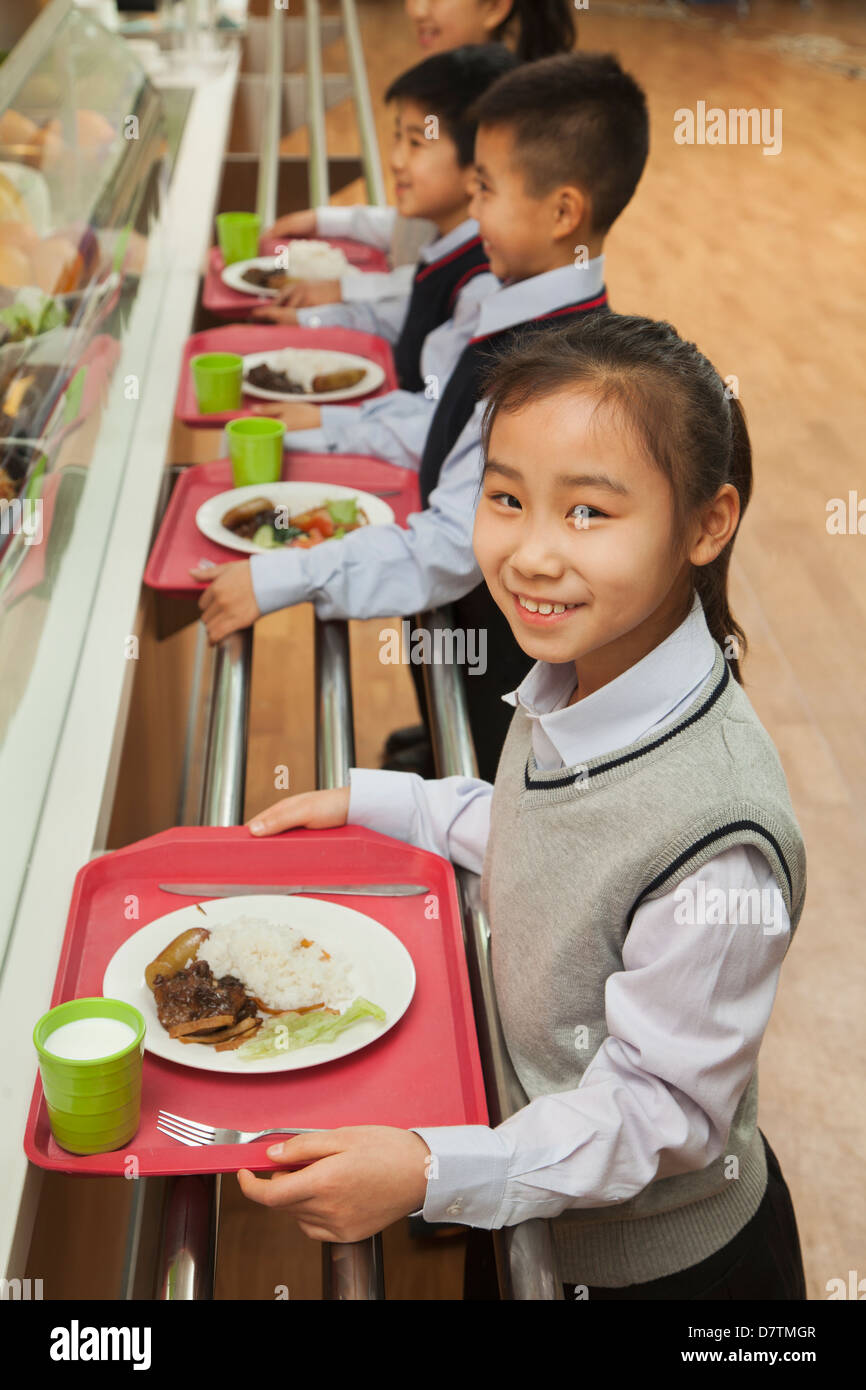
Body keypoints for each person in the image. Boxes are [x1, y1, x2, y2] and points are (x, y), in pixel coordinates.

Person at [236, 313, 809, 1302]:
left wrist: (428, 1170)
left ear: (707, 522)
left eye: (587, 512)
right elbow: (540, 831)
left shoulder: (719, 835)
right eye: (505, 497)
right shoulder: (583, 670)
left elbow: (654, 1114)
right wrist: (378, 803)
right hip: (524, 1200)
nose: (531, 553)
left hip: (653, 1271)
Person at [191, 54, 650, 786]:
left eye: (488, 193)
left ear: (564, 213)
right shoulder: (524, 314)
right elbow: (441, 418)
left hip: (511, 676)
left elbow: (445, 547)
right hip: (479, 645)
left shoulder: (547, 373)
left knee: (490, 791)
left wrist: (282, 578)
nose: (473, 216)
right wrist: (317, 436)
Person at [252, 44, 515, 445]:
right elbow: (406, 319)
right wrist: (312, 319)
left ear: (478, 168)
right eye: (398, 139)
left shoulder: (482, 280)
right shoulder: (444, 243)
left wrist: (329, 423)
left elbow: (441, 422)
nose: (395, 160)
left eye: (416, 143)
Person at [260, 0, 577, 314]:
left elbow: (443, 274)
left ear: (494, 7)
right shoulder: (450, 100)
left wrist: (343, 292)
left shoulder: (502, 127)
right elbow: (420, 232)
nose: (416, 10)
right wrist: (326, 221)